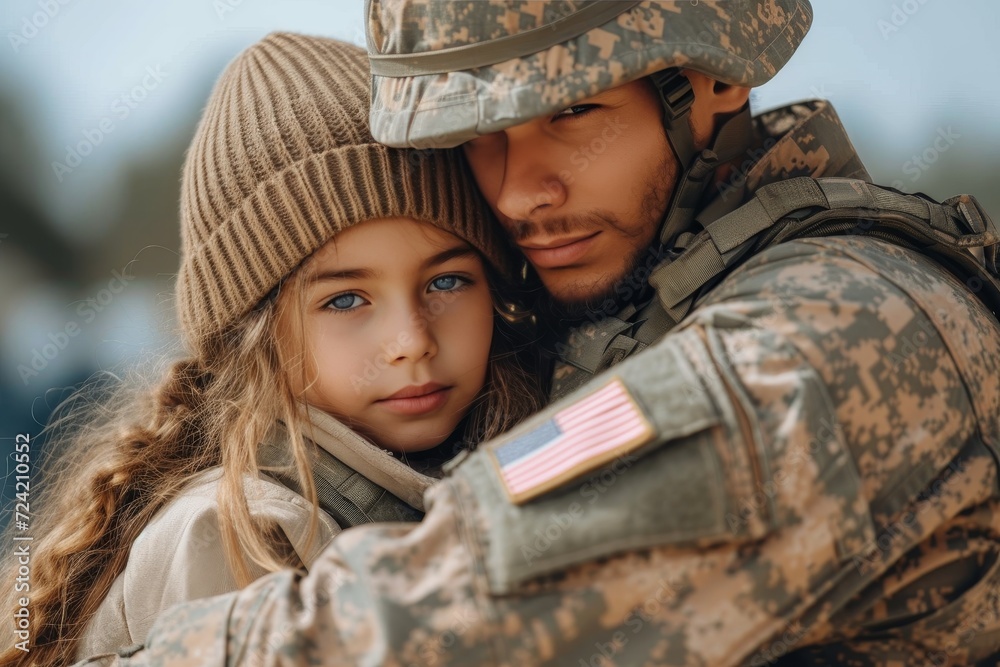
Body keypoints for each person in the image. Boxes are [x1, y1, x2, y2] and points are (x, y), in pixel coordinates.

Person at [74, 1, 1000, 665]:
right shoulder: (646, 305)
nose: (519, 192)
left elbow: (468, 606)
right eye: (478, 134)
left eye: (570, 112)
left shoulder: (821, 334)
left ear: (711, 78)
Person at [2, 33, 543, 666]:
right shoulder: (237, 537)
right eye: (345, 300)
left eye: (446, 282)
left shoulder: (516, 439)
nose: (412, 342)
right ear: (254, 337)